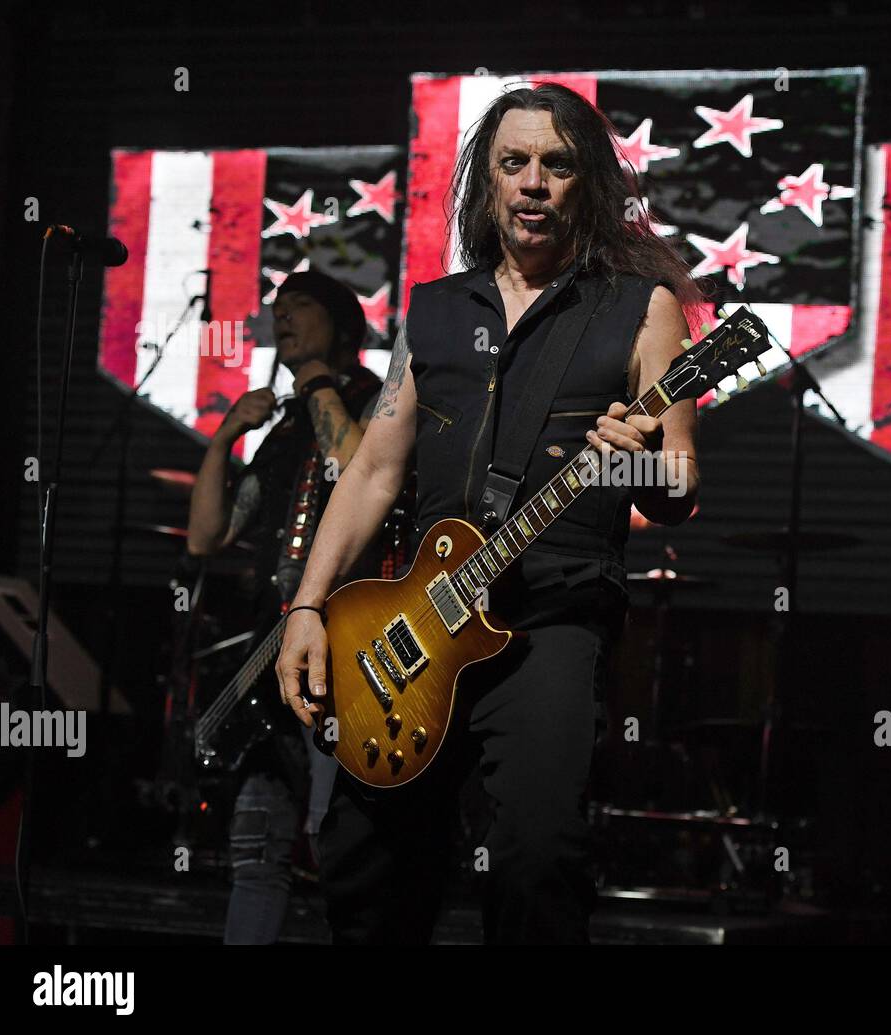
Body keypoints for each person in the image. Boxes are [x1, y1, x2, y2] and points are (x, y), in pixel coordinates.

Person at [275, 81, 705, 944]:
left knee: (537, 861)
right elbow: (370, 472)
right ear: (489, 182)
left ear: (589, 184)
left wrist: (641, 459)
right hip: (419, 623)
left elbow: (682, 484)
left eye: (557, 164)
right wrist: (306, 607)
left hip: (550, 621)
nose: (534, 182)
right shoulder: (437, 312)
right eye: (515, 163)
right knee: (365, 862)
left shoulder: (640, 308)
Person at [187, 270, 382, 943]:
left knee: (335, 837)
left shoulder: (373, 400)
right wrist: (224, 436)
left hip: (344, 650)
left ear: (341, 321)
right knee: (256, 839)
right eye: (278, 310)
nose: (284, 319)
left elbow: (358, 474)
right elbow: (206, 534)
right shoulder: (285, 424)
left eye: (301, 306)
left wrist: (319, 383)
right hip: (268, 653)